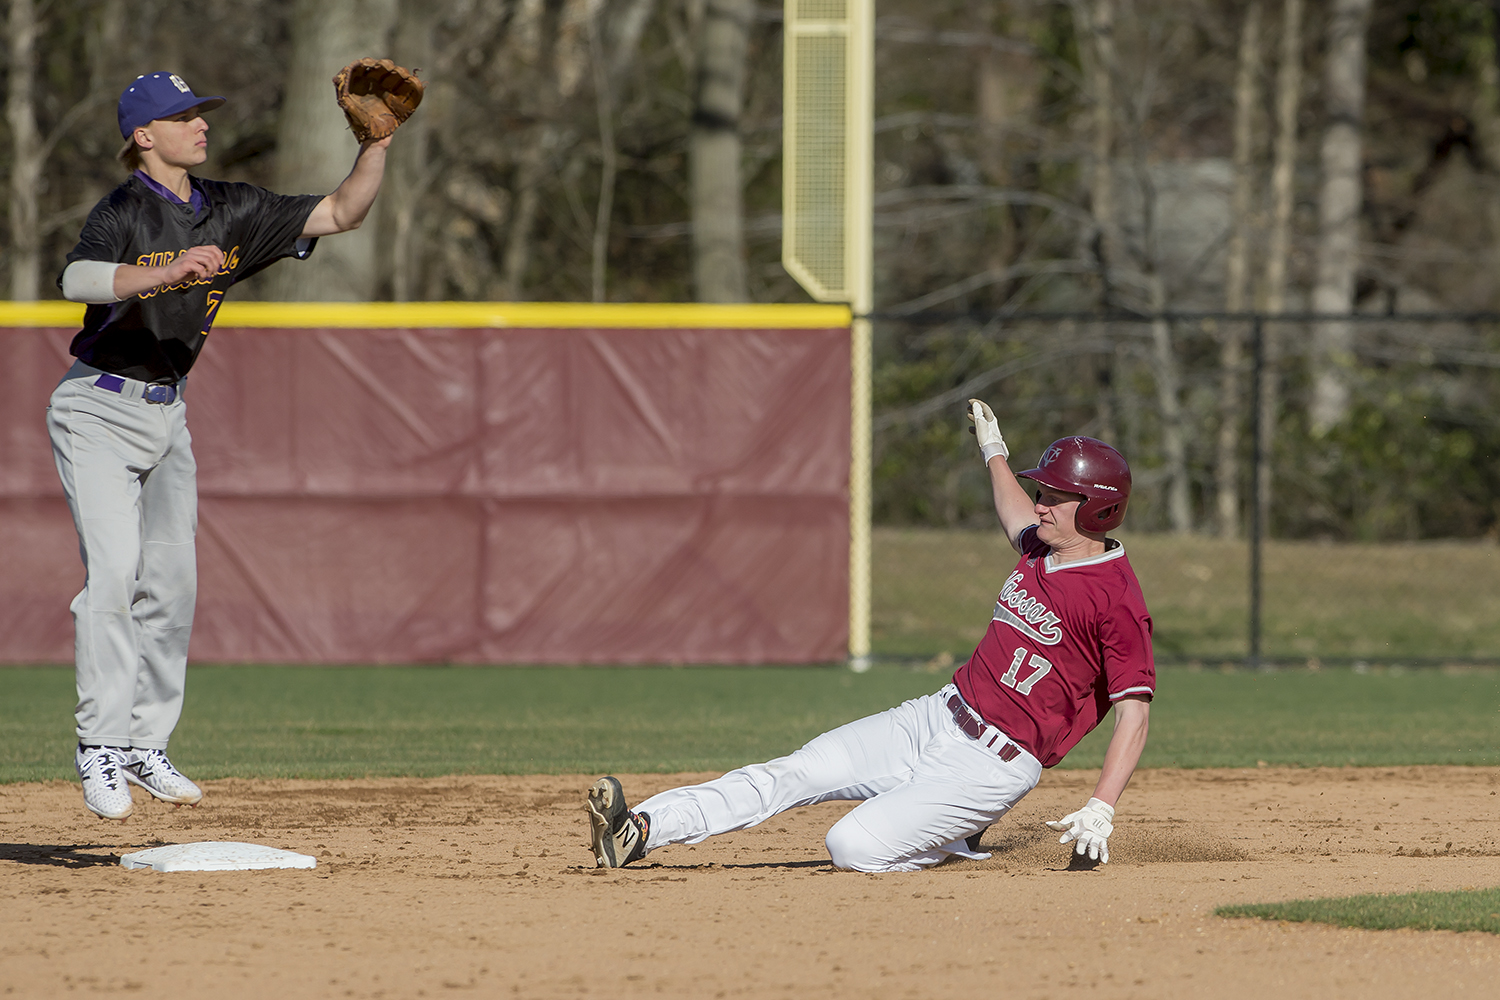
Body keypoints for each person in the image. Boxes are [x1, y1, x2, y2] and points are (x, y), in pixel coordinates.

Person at [587, 399, 1154, 872]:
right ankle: (642, 828)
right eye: (1043, 492)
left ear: (1098, 510)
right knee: (795, 771)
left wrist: (1101, 806)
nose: (1041, 504)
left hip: (993, 765)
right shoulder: (1041, 547)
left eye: (1056, 496)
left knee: (851, 846)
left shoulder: (1116, 600)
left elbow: (1135, 714)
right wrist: (994, 451)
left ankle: (950, 838)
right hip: (937, 714)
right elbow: (1013, 516)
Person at [52, 71, 392, 821]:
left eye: (201, 112)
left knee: (172, 588)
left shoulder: (230, 208)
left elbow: (340, 213)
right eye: (183, 116)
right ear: (144, 136)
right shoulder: (124, 210)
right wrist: (163, 272)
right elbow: (73, 274)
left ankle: (144, 744)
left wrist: (377, 147)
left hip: (168, 414)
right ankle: (99, 745)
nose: (200, 124)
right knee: (113, 576)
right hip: (98, 408)